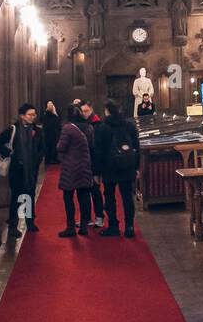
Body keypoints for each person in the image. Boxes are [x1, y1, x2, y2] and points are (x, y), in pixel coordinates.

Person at [0, 104, 45, 240]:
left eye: (34, 114)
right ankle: (13, 226)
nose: (33, 117)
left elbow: (42, 148)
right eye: (30, 114)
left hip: (31, 170)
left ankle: (30, 222)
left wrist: (37, 160)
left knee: (29, 196)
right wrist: (10, 153)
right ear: (22, 116)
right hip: (17, 170)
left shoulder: (37, 130)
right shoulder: (13, 129)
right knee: (17, 197)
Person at [94, 99, 141, 238]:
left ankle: (113, 226)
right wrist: (136, 167)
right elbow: (136, 147)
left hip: (109, 168)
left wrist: (96, 172)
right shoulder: (129, 125)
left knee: (109, 197)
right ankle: (129, 227)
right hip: (127, 166)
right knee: (127, 197)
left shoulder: (103, 127)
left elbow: (99, 151)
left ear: (107, 111)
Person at [57, 106, 97, 237]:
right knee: (84, 196)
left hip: (70, 167)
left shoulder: (68, 128)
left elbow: (61, 147)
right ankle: (84, 226)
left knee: (68, 197)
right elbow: (92, 146)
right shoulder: (89, 127)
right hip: (85, 165)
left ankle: (70, 227)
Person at [79, 101, 104, 227]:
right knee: (84, 193)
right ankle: (86, 218)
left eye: (86, 111)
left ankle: (99, 217)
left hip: (94, 164)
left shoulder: (97, 124)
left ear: (91, 109)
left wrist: (97, 171)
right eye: (82, 111)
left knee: (95, 191)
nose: (84, 114)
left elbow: (98, 149)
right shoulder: (82, 123)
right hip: (83, 163)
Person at [42, 100, 61, 164]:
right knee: (49, 146)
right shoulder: (46, 114)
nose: (50, 105)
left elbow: (58, 122)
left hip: (55, 133)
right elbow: (45, 124)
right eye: (49, 104)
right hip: (49, 134)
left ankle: (54, 158)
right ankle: (50, 159)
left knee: (55, 146)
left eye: (51, 104)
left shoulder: (56, 113)